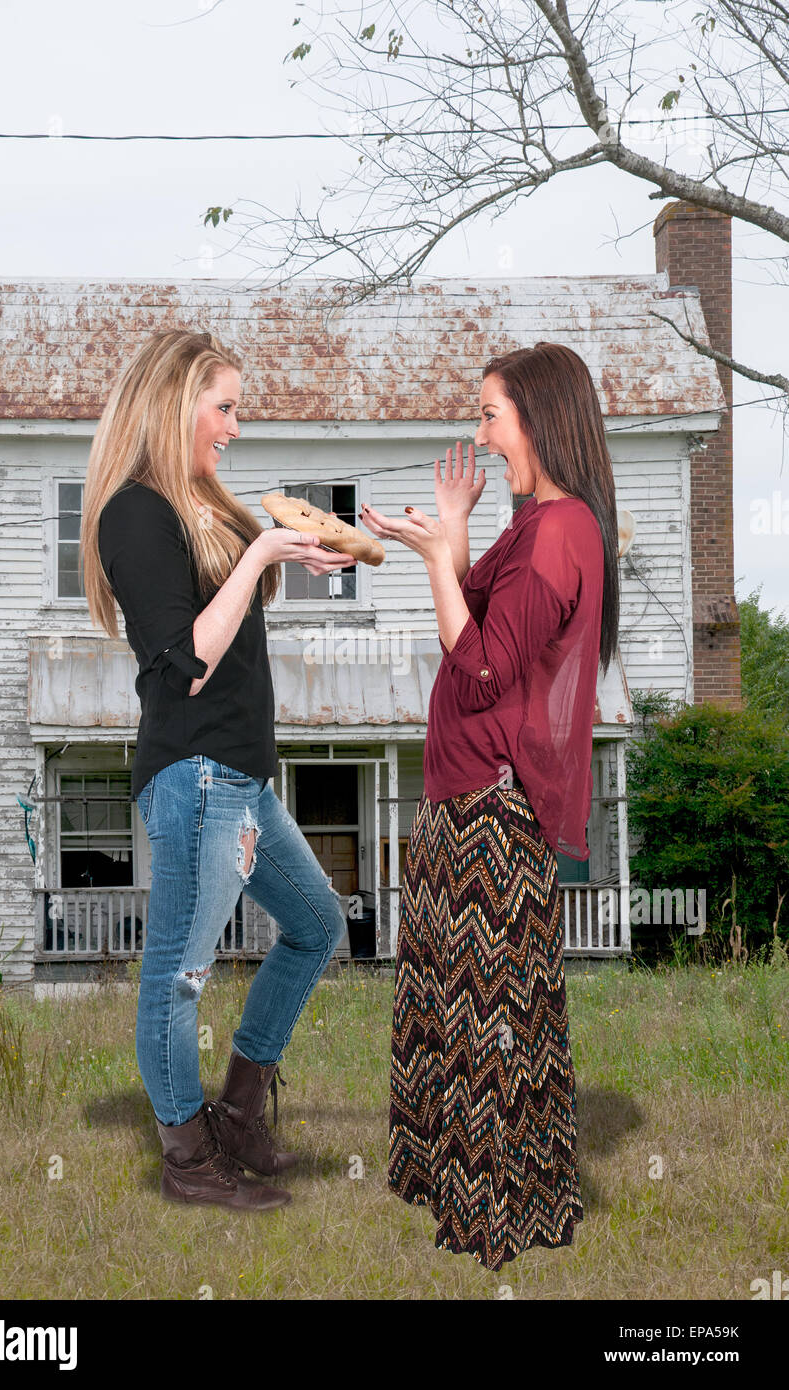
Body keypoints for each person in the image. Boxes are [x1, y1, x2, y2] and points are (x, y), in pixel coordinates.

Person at [81, 329, 355, 1212]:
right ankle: (187, 1158)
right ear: (174, 403)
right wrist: (263, 556)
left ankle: (237, 1113)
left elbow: (237, 601)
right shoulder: (135, 513)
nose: (234, 426)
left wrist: (292, 551)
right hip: (195, 776)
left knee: (315, 924)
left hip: (240, 776)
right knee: (178, 974)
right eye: (224, 406)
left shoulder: (199, 499)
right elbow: (186, 661)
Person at [360, 341, 619, 1270]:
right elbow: (477, 625)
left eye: (489, 415)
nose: (479, 432)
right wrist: (452, 536)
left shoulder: (559, 532)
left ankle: (493, 1214)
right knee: (460, 1012)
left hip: (489, 814)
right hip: (459, 799)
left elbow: (477, 667)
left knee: (487, 1024)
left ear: (539, 419)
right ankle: (485, 1195)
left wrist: (437, 556)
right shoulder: (532, 524)